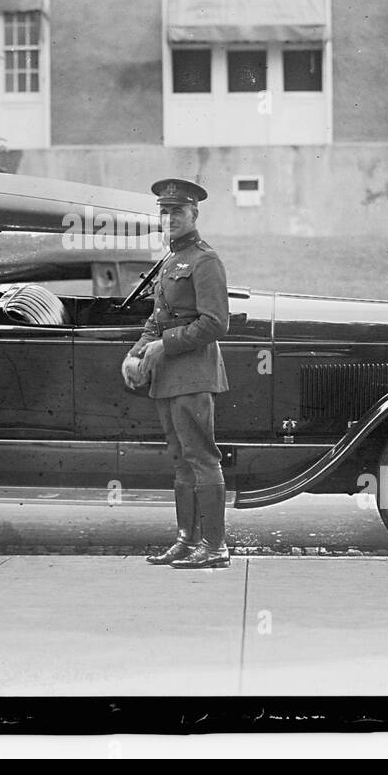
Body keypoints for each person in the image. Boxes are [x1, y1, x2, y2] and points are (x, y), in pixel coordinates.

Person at [125, 179, 231, 569]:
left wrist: (163, 346)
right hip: (169, 377)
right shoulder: (171, 260)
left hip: (194, 375)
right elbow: (158, 318)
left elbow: (216, 323)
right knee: (180, 459)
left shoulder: (205, 261)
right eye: (164, 211)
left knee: (201, 457)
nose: (169, 218)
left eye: (177, 212)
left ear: (194, 215)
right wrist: (136, 353)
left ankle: (215, 546)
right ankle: (187, 541)